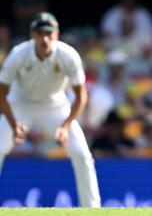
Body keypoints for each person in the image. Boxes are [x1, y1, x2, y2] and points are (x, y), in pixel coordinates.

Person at [0, 12, 101, 207]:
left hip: (55, 106)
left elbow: (81, 96)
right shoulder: (18, 54)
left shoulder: (68, 56)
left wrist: (65, 126)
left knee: (81, 154)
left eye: (49, 33)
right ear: (32, 35)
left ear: (57, 34)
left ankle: (92, 209)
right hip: (20, 104)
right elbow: (1, 93)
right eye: (40, 33)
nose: (44, 38)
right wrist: (14, 124)